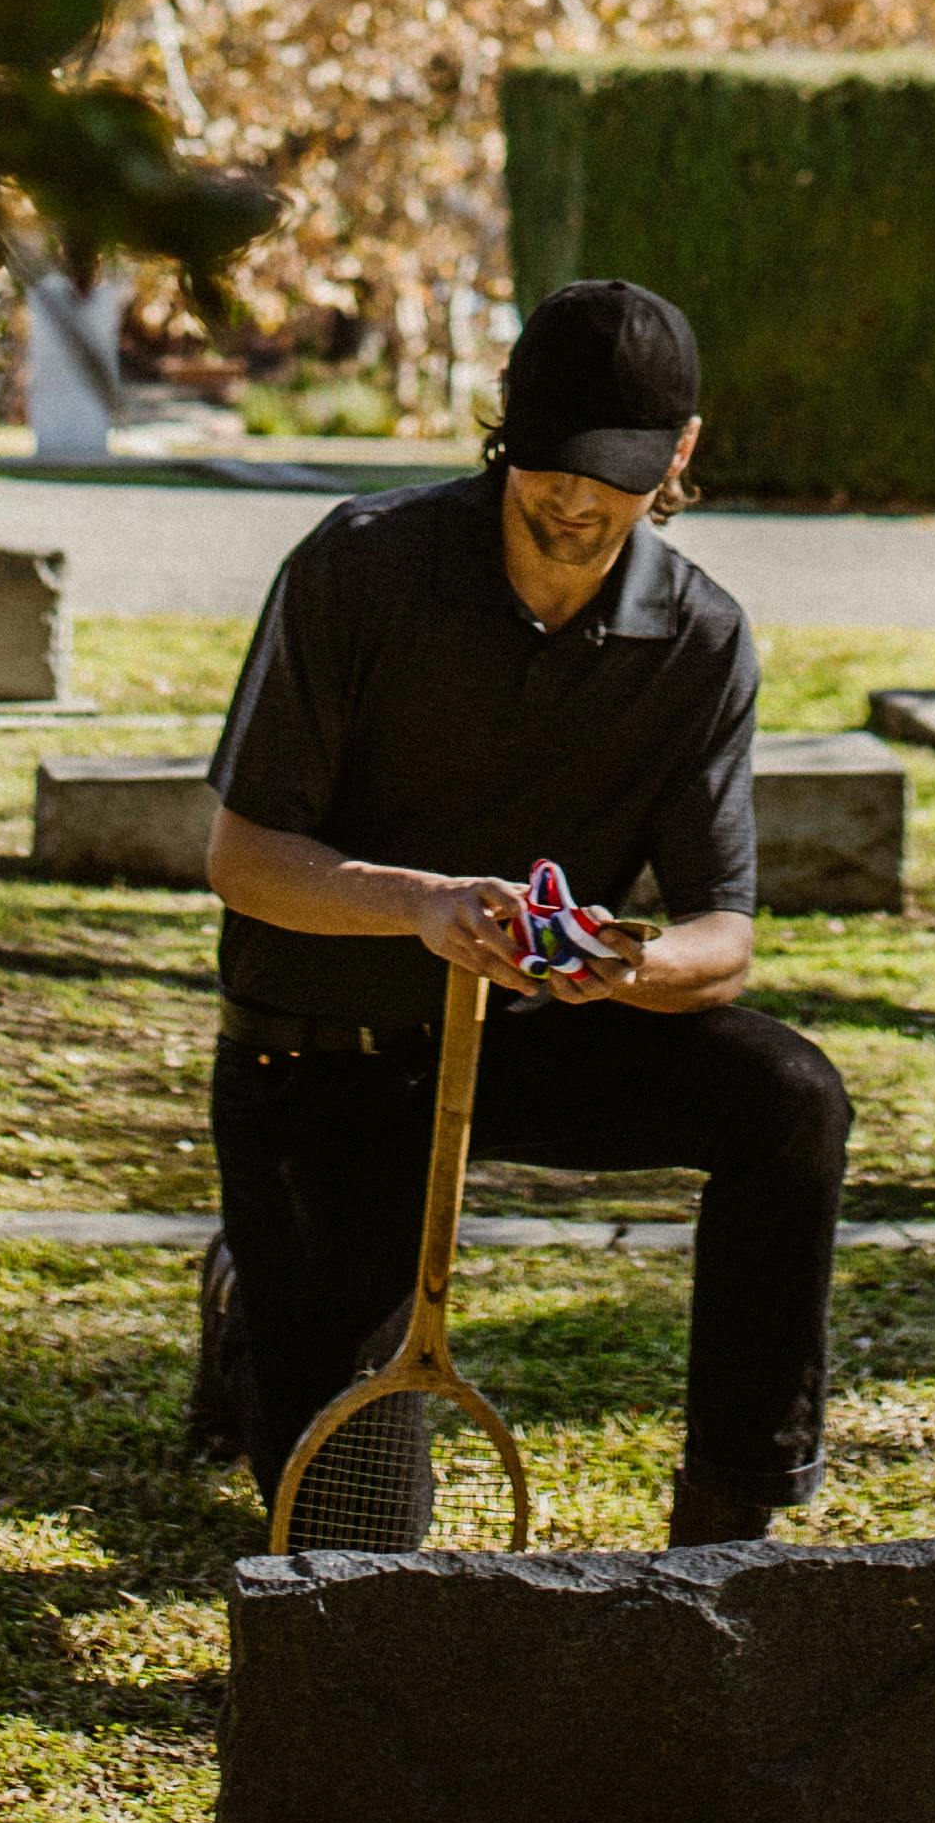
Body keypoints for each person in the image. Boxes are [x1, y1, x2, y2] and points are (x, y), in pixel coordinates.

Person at [203, 272, 851, 1550]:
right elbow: (242, 858)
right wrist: (425, 905)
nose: (572, 498)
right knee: (354, 1544)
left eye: (612, 471)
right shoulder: (359, 566)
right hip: (324, 1055)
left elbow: (725, 934)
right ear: (505, 427)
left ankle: (730, 1527)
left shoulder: (702, 638)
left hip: (530, 1038)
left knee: (789, 1100)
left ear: (680, 455)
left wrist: (633, 971)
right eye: (549, 459)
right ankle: (257, 1286)